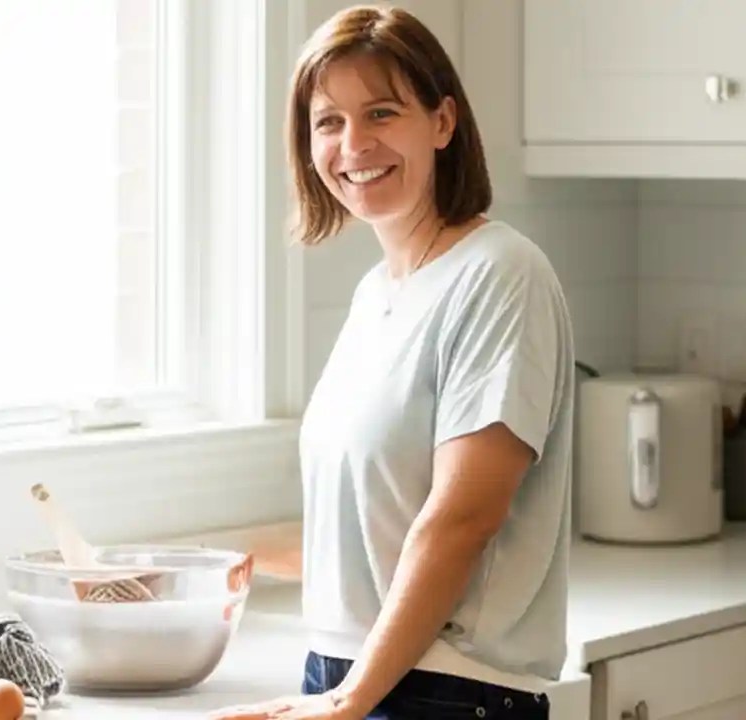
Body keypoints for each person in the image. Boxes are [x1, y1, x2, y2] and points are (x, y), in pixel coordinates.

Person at [209, 5, 574, 720]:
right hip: (352, 671)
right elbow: (384, 515)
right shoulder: (377, 293)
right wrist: (216, 561)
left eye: (381, 112)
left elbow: (464, 518)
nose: (353, 144)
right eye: (328, 122)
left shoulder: (500, 274)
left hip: (447, 690)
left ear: (442, 123)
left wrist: (350, 699)